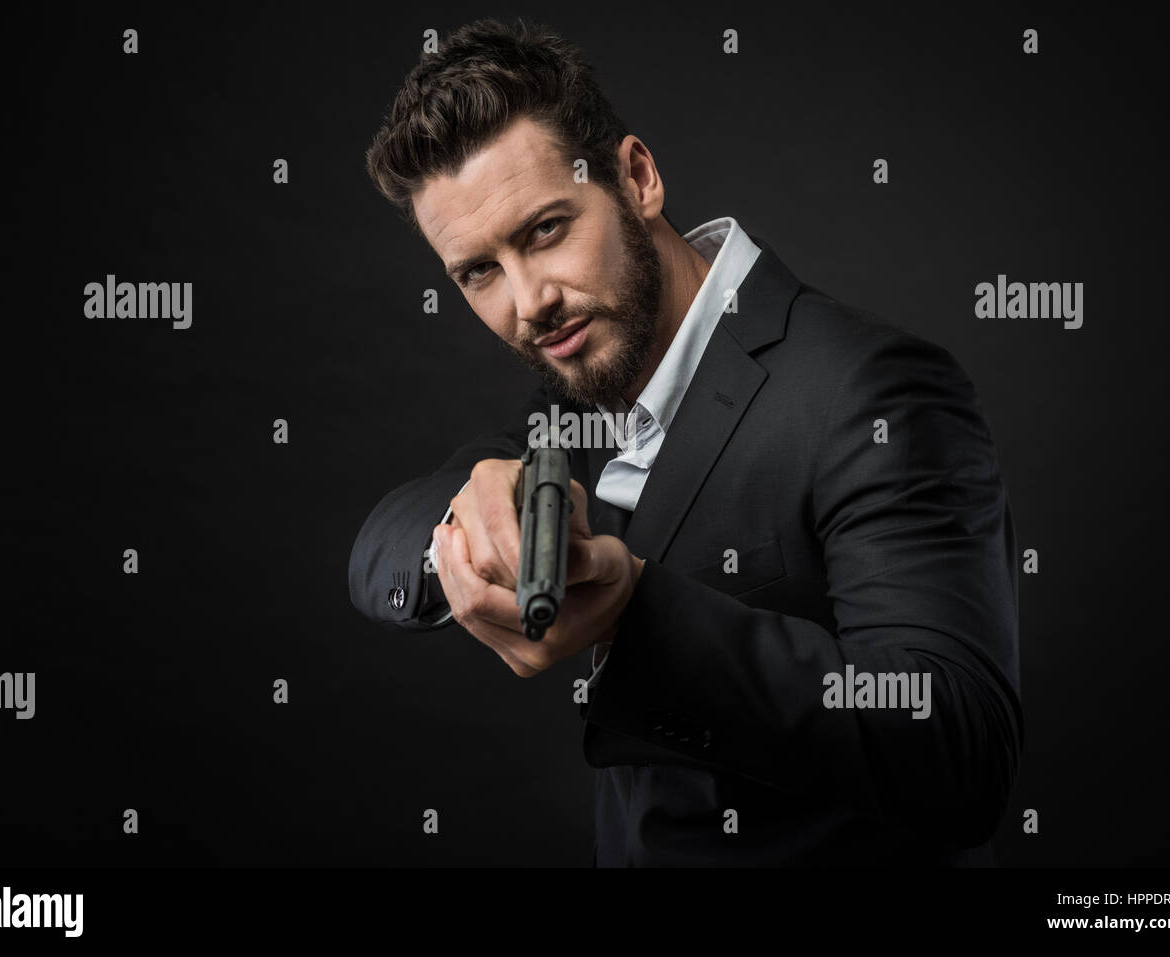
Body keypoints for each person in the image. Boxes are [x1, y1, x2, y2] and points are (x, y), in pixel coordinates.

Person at [349, 16, 1022, 866]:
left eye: (546, 230)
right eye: (478, 271)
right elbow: (377, 550)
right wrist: (469, 508)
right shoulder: (579, 391)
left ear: (637, 177)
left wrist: (640, 611)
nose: (527, 302)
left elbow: (960, 753)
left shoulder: (873, 388)